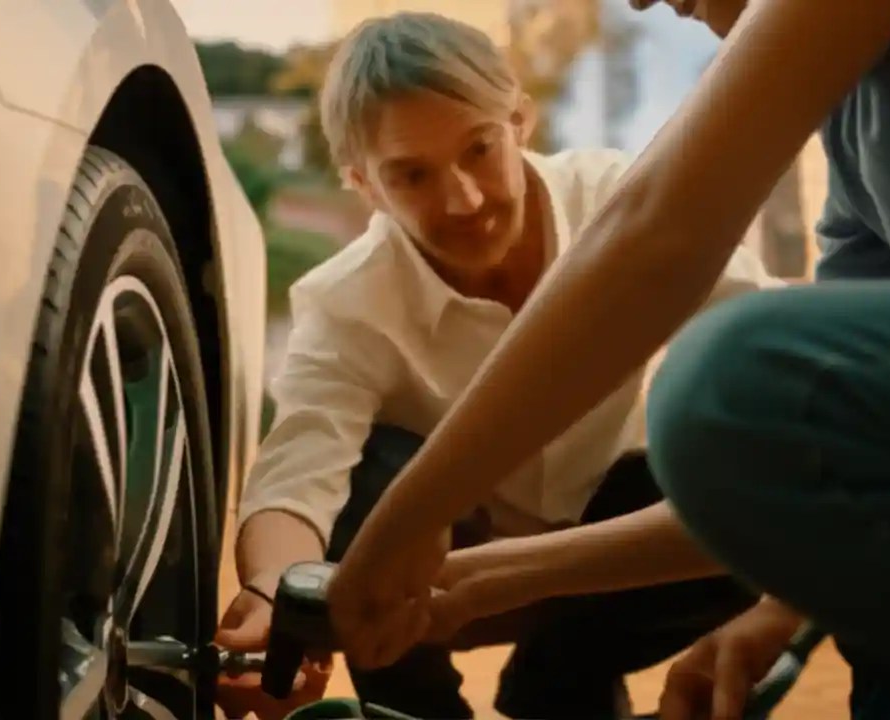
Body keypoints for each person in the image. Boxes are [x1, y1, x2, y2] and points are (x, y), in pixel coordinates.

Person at [324, 0, 890, 719]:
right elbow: (800, 461)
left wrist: (411, 519)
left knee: (734, 382)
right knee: (872, 611)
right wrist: (780, 610)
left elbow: (661, 238)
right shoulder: (859, 134)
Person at [214, 10, 786, 720]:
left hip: (613, 557)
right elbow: (299, 471)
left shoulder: (625, 210)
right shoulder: (347, 302)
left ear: (520, 122)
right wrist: (275, 591)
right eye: (412, 175)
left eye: (480, 149)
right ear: (364, 185)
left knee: (720, 463)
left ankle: (561, 681)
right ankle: (415, 712)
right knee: (370, 483)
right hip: (435, 581)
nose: (464, 200)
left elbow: (782, 364)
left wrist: (786, 609)